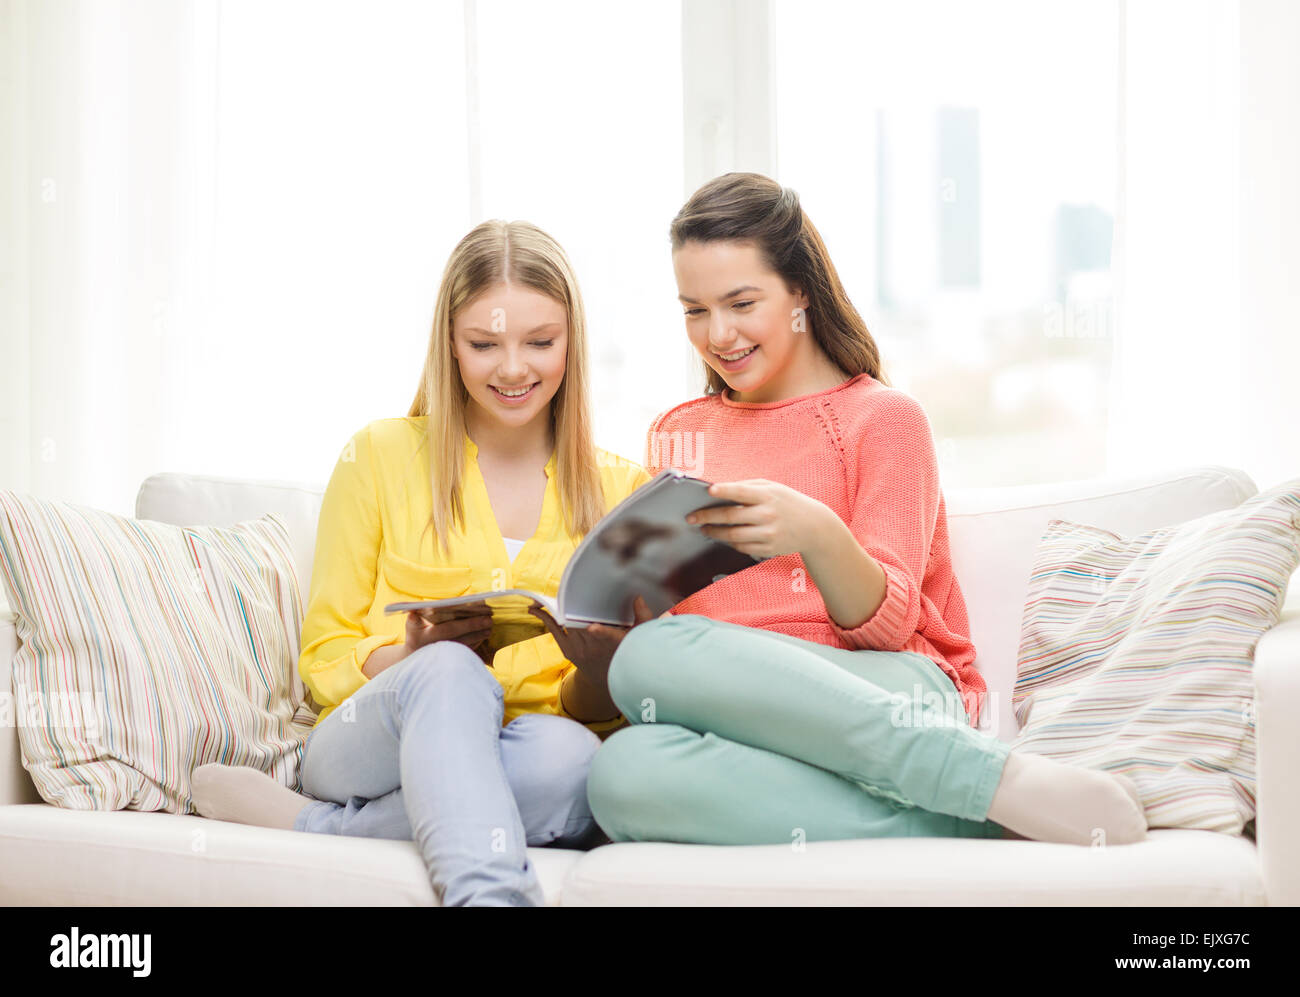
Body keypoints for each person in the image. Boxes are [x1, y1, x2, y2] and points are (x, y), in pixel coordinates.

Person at [554, 173, 1149, 849]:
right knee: (620, 773)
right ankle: (972, 810)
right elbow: (684, 651)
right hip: (745, 712)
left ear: (800, 290)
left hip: (892, 689)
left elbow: (889, 628)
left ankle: (970, 771)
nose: (718, 334)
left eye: (741, 302)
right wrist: (609, 638)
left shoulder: (882, 419)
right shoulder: (678, 430)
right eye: (694, 310)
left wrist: (815, 533)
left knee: (653, 657)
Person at [190, 219, 656, 906]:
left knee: (580, 764)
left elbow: (595, 713)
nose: (513, 368)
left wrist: (595, 666)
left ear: (572, 343)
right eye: (483, 343)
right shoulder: (376, 455)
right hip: (370, 737)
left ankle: (315, 827)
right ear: (449, 344)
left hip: (527, 742)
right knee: (447, 666)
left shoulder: (624, 493)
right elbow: (323, 659)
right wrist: (407, 659)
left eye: (540, 342)